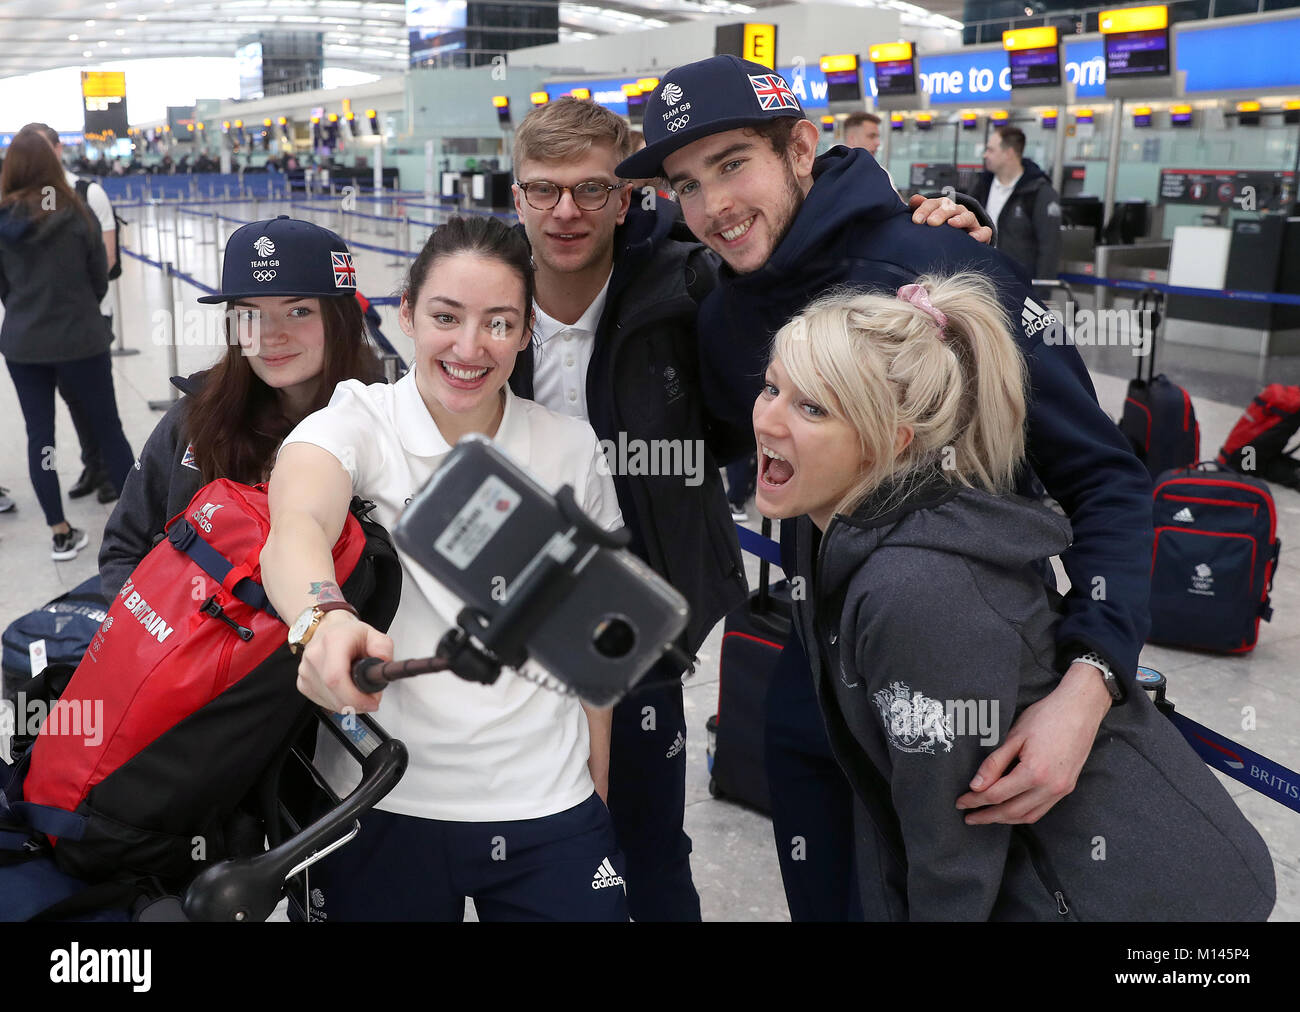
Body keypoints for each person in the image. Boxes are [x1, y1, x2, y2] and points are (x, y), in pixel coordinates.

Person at [618, 55, 1153, 920]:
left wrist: (1091, 683)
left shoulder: (944, 264)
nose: (712, 206)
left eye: (732, 164)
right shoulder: (725, 311)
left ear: (800, 148)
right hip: (814, 685)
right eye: (686, 184)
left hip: (971, 690)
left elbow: (1106, 479)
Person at [507, 96, 985, 921]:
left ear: (628, 199)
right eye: (542, 190)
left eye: (591, 189)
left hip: (641, 618)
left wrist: (934, 233)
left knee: (647, 849)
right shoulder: (486, 290)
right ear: (515, 195)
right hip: (509, 609)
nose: (565, 212)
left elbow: (809, 294)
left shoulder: (690, 285)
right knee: (520, 845)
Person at [753, 277, 1275, 920]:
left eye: (812, 409)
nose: (766, 419)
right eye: (772, 388)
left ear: (892, 440)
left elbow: (952, 848)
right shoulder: (836, 532)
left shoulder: (915, 592)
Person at [261, 215, 628, 922]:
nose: (468, 347)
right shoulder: (359, 422)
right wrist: (321, 618)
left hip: (547, 801)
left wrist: (596, 782)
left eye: (499, 323)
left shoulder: (568, 446)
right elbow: (296, 525)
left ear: (526, 332)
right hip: (381, 799)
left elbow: (591, 637)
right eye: (446, 317)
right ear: (406, 314)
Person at [98, 215, 383, 598]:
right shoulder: (197, 418)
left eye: (298, 311)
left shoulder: (383, 427)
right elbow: (123, 547)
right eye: (250, 314)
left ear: (340, 320)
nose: (270, 336)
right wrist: (159, 628)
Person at [0, 129, 134, 561]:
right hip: (81, 338)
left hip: (25, 344)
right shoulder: (75, 211)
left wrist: (25, 309)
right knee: (108, 428)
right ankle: (140, 527)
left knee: (40, 436)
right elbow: (100, 275)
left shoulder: (2, 218)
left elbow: (3, 287)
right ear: (52, 163)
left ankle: (59, 531)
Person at [24, 122, 121, 505]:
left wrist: (73, 301)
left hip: (91, 314)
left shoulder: (87, 192)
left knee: (96, 400)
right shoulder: (22, 201)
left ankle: (113, 472)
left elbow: (107, 258)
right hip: (48, 324)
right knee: (72, 397)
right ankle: (93, 464)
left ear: (59, 149)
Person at [971, 125, 1062, 286]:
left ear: (1009, 153)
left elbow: (1049, 248)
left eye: (991, 150)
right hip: (982, 282)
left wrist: (1041, 293)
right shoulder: (982, 186)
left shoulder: (1038, 192)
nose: (985, 155)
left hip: (1019, 285)